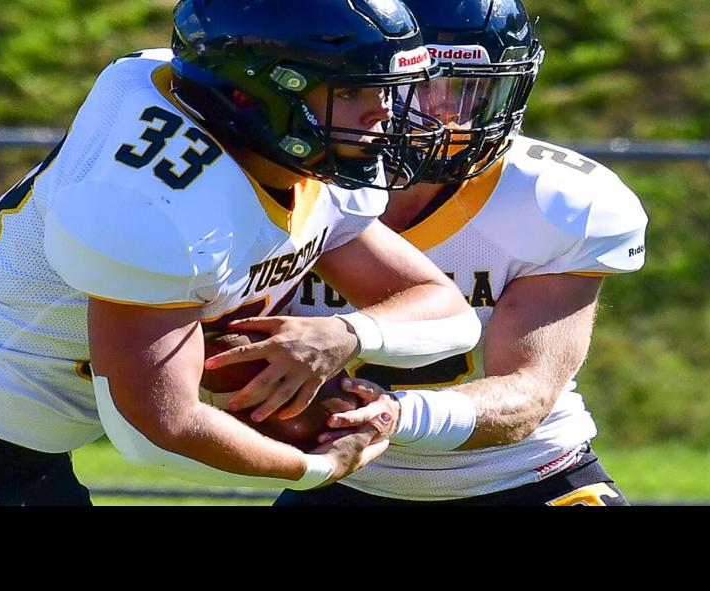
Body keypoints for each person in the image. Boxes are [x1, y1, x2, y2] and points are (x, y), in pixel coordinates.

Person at [0, 0, 482, 505]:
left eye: (390, 92)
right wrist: (313, 468)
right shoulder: (158, 204)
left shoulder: (289, 154)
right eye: (358, 94)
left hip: (22, 458)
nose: (386, 117)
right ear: (255, 93)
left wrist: (344, 334)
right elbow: (155, 430)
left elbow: (448, 314)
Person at [262, 0, 648, 507]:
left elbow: (526, 395)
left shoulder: (552, 201)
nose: (445, 112)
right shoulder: (276, 179)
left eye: (470, 91)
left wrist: (392, 416)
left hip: (525, 480)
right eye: (420, 86)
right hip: (347, 482)